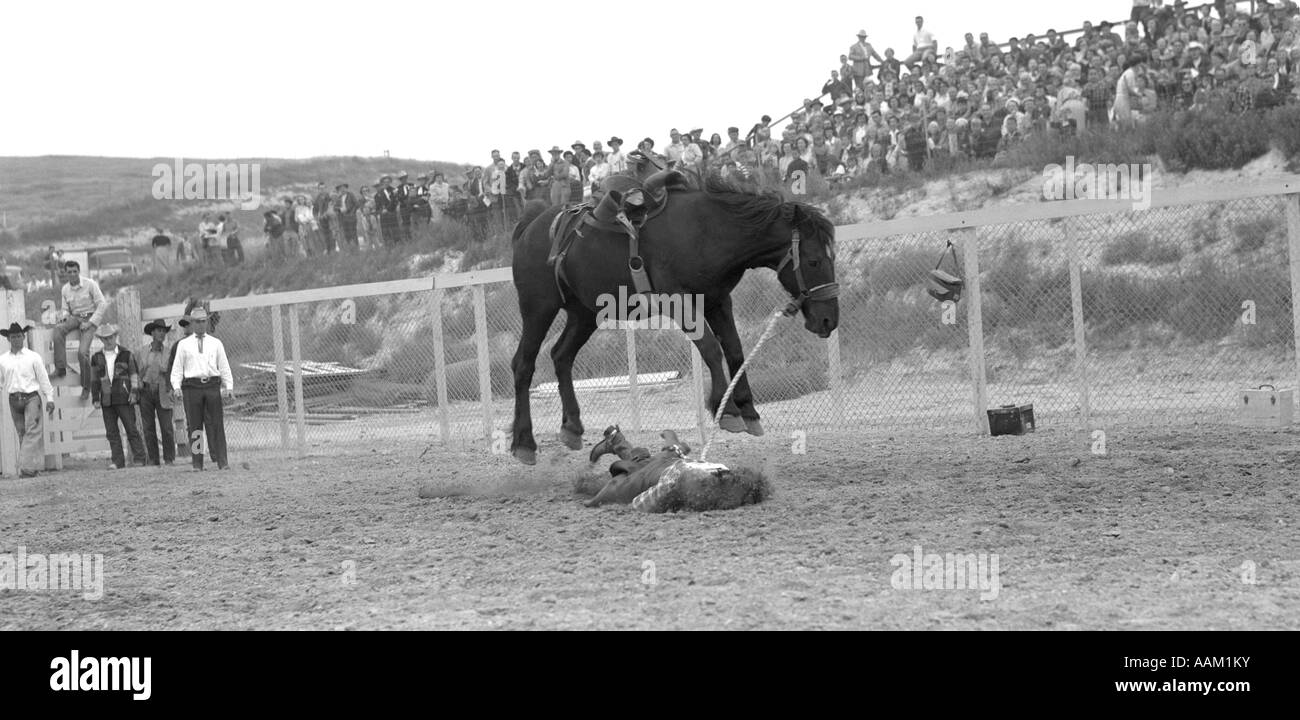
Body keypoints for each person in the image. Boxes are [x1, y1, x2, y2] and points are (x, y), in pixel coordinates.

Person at [169, 308, 233, 471]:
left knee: (217, 423)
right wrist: (176, 386)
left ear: (207, 322)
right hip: (192, 387)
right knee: (195, 425)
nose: (201, 324)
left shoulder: (216, 343)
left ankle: (222, 461)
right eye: (197, 321)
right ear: (191, 323)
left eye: (204, 321)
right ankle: (197, 462)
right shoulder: (183, 345)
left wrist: (229, 386)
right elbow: (177, 369)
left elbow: (224, 366)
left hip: (212, 384)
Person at [0, 322, 56, 478]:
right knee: (23, 433)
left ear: (23, 337)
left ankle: (25, 467)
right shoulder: (3, 360)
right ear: (8, 339)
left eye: (19, 336)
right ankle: (32, 468)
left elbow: (43, 378)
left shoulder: (33, 357)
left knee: (32, 431)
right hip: (14, 399)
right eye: (13, 337)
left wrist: (49, 397)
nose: (16, 339)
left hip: (31, 397)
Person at [89, 324, 146, 470]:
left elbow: (134, 374)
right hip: (107, 398)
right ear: (101, 339)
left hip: (125, 397)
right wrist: (95, 397)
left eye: (111, 337)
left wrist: (134, 392)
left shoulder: (126, 354)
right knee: (112, 432)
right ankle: (118, 461)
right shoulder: (96, 358)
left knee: (131, 429)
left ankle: (139, 458)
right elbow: (94, 379)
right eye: (105, 338)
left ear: (115, 337)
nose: (108, 340)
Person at [50, 260, 108, 401]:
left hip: (89, 317)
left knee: (82, 352)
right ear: (65, 273)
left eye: (75, 271)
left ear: (79, 271)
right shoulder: (65, 289)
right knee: (57, 330)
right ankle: (60, 368)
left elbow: (102, 304)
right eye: (69, 272)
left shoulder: (90, 284)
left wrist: (90, 323)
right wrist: (63, 317)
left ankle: (86, 387)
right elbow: (65, 309)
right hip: (75, 317)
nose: (72, 274)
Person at [137, 320, 176, 466]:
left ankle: (169, 458)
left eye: (163, 331)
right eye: (159, 331)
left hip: (162, 389)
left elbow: (170, 370)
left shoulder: (168, 352)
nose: (162, 334)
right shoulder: (142, 351)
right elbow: (138, 371)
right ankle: (153, 459)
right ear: (152, 333)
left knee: (166, 427)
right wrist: (138, 383)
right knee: (148, 427)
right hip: (146, 390)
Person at [334, 182, 360, 251]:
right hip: (343, 218)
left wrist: (351, 212)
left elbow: (357, 204)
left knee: (353, 233)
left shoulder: (350, 195)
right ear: (339, 190)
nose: (342, 190)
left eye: (343, 188)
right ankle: (350, 249)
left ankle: (356, 249)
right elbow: (335, 207)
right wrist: (340, 209)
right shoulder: (339, 198)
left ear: (346, 188)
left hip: (351, 217)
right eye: (340, 189)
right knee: (347, 234)